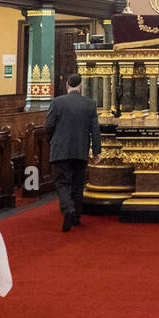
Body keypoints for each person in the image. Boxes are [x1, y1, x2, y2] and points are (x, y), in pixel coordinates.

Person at [45, 73, 102, 232]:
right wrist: (96, 151)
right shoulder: (90, 104)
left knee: (62, 182)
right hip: (80, 150)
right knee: (78, 184)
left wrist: (53, 140)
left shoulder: (57, 102)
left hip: (60, 150)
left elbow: (48, 126)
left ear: (67, 85)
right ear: (81, 86)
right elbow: (95, 131)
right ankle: (76, 217)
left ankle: (67, 208)